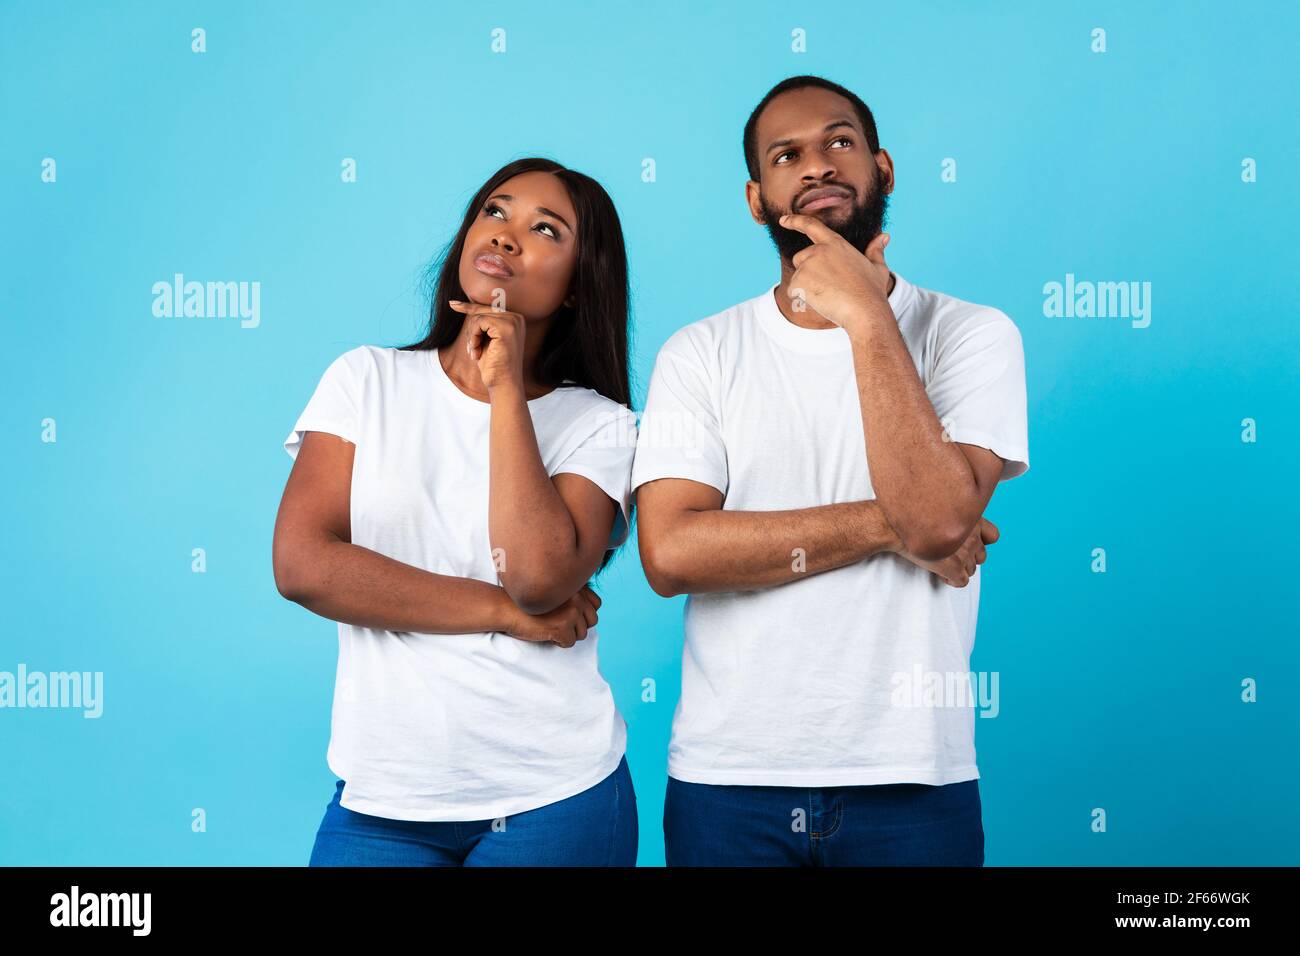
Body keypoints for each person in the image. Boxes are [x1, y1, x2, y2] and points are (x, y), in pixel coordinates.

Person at [631, 75, 1030, 866]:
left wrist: (866, 314)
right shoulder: (699, 353)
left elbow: (943, 521)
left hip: (914, 780)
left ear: (883, 168)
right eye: (788, 155)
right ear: (756, 197)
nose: (816, 166)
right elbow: (671, 554)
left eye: (838, 143)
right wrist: (898, 526)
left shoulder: (974, 335)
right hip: (728, 783)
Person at [273, 157, 639, 866]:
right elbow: (303, 565)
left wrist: (504, 388)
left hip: (553, 795)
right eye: (494, 212)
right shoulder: (364, 380)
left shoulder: (602, 425)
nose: (506, 237)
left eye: (545, 230)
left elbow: (537, 578)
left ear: (575, 286)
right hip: (383, 797)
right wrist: (498, 611)